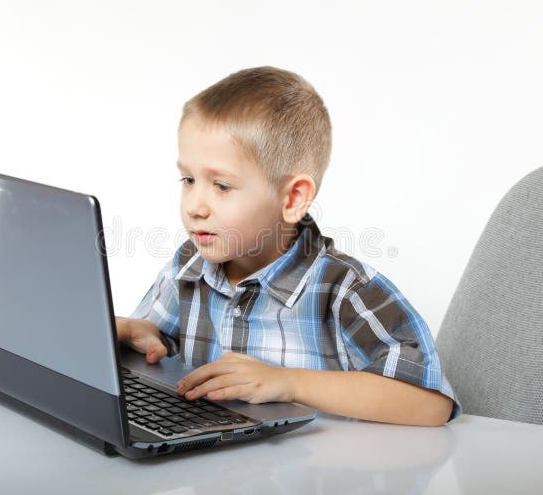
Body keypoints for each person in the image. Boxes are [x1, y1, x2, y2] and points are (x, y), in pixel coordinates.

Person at [115, 66, 460, 425]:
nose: (194, 206)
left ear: (294, 198)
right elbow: (163, 352)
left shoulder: (343, 289)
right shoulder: (189, 266)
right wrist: (145, 335)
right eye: (188, 179)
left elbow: (430, 404)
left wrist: (288, 382)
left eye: (222, 186)